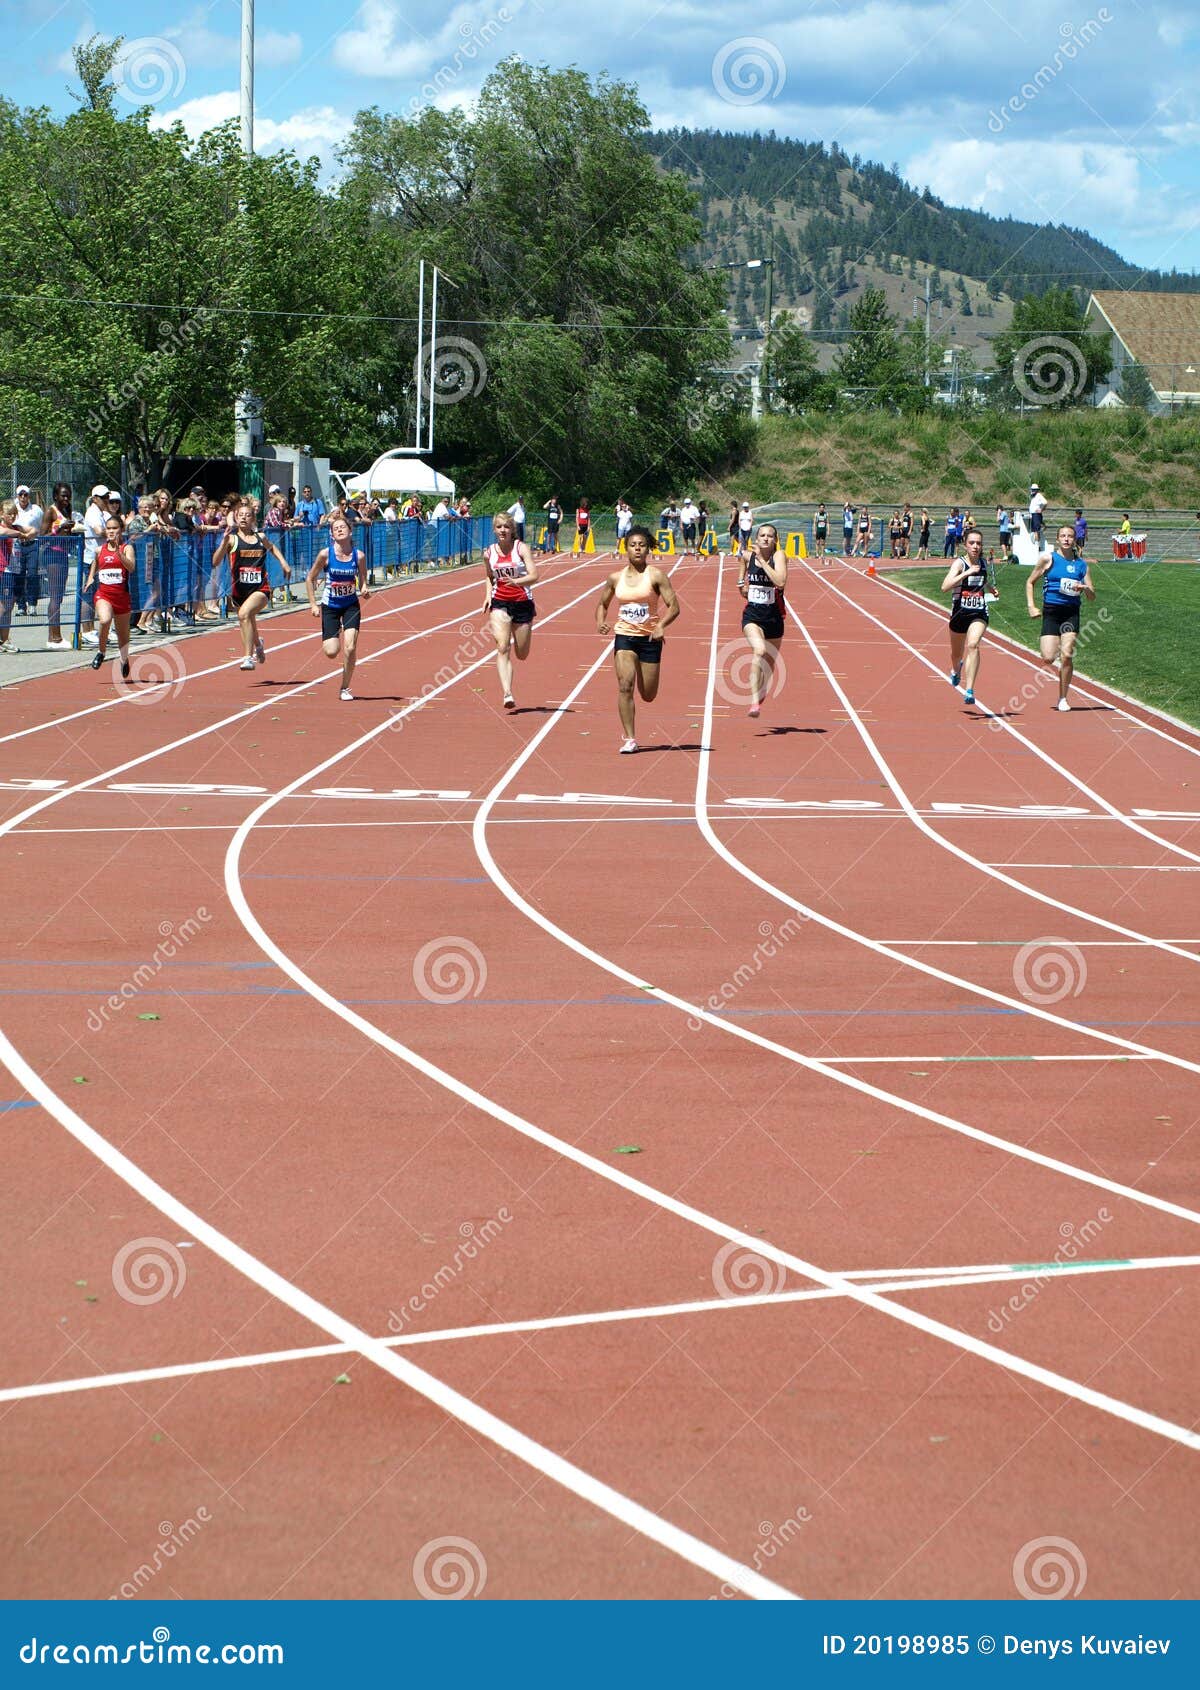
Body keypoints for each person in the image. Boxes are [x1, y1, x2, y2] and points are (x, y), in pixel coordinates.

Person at [595, 525, 680, 754]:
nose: (637, 549)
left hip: (649, 639)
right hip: (624, 637)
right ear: (626, 549)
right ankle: (630, 738)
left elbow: (674, 607)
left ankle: (635, 722)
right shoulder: (615, 578)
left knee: (648, 695)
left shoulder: (656, 576)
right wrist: (601, 621)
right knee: (625, 686)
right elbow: (602, 604)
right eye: (633, 545)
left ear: (648, 548)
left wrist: (661, 625)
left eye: (642, 545)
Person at [212, 501, 291, 672]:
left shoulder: (260, 538)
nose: (244, 518)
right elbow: (215, 561)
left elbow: (273, 548)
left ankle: (248, 657)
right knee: (248, 620)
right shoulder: (231, 539)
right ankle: (258, 644)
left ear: (253, 518)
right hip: (239, 591)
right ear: (235, 517)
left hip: (260, 589)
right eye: (241, 515)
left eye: (248, 515)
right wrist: (223, 542)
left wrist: (284, 563)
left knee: (244, 614)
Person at [1026, 521, 1096, 713]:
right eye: (1063, 536)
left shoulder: (1082, 565)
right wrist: (1031, 606)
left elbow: (1092, 596)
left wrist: (1085, 588)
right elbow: (1030, 582)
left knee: (1066, 655)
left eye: (1070, 536)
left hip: (1070, 613)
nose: (1066, 539)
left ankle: (1063, 697)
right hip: (1051, 611)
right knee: (1048, 658)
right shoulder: (1048, 559)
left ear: (1075, 540)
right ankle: (1052, 643)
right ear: (1057, 539)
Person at [307, 512, 369, 701]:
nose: (339, 530)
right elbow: (310, 578)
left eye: (343, 527)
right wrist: (313, 604)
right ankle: (334, 632)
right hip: (330, 606)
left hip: (350, 605)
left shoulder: (359, 556)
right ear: (332, 535)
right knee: (331, 652)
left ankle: (345, 687)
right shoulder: (325, 555)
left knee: (349, 648)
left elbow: (363, 581)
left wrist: (364, 588)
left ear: (350, 531)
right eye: (336, 528)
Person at [482, 511, 539, 710]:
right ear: (494, 530)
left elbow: (535, 576)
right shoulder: (488, 553)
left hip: (523, 602)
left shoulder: (521, 548)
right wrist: (488, 595)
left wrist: (517, 581)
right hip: (500, 602)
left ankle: (520, 640)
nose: (503, 530)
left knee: (522, 653)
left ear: (512, 529)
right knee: (502, 647)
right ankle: (507, 693)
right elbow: (489, 577)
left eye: (506, 526)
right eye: (499, 527)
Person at [942, 525, 996, 707]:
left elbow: (982, 579)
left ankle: (970, 690)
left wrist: (990, 589)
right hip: (959, 613)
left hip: (978, 612)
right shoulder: (959, 563)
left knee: (973, 645)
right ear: (965, 545)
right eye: (972, 543)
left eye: (978, 543)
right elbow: (945, 586)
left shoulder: (983, 563)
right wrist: (966, 572)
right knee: (956, 655)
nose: (975, 546)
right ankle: (956, 670)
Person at [738, 524, 787, 718]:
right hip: (752, 616)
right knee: (759, 651)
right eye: (762, 535)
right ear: (756, 538)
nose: (766, 538)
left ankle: (762, 689)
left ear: (775, 540)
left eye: (770, 536)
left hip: (774, 617)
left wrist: (761, 561)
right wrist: (740, 582)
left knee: (769, 663)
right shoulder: (747, 555)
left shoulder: (779, 557)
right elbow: (742, 562)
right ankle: (753, 702)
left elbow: (780, 581)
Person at [82, 513, 134, 679]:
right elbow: (95, 563)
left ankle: (124, 660)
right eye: (109, 528)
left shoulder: (127, 548)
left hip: (122, 597)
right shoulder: (100, 550)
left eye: (115, 528)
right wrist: (90, 578)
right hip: (104, 595)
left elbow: (131, 567)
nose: (111, 532)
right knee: (104, 620)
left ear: (121, 530)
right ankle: (101, 652)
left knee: (123, 635)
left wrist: (120, 555)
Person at [43, 482, 80, 649]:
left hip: (63, 554)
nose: (66, 498)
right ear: (55, 496)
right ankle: (54, 637)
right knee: (55, 596)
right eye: (63, 495)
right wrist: (59, 529)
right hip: (53, 555)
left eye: (68, 495)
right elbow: (42, 536)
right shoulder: (50, 511)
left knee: (59, 596)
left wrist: (72, 530)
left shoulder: (67, 510)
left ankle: (55, 636)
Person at [10, 484, 43, 617]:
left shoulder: (36, 509)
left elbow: (40, 527)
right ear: (17, 496)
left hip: (33, 544)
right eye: (20, 495)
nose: (23, 497)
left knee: (32, 575)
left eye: (26, 495)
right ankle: (21, 606)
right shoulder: (13, 509)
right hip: (17, 545)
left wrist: (30, 534)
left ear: (29, 496)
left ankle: (32, 604)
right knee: (19, 575)